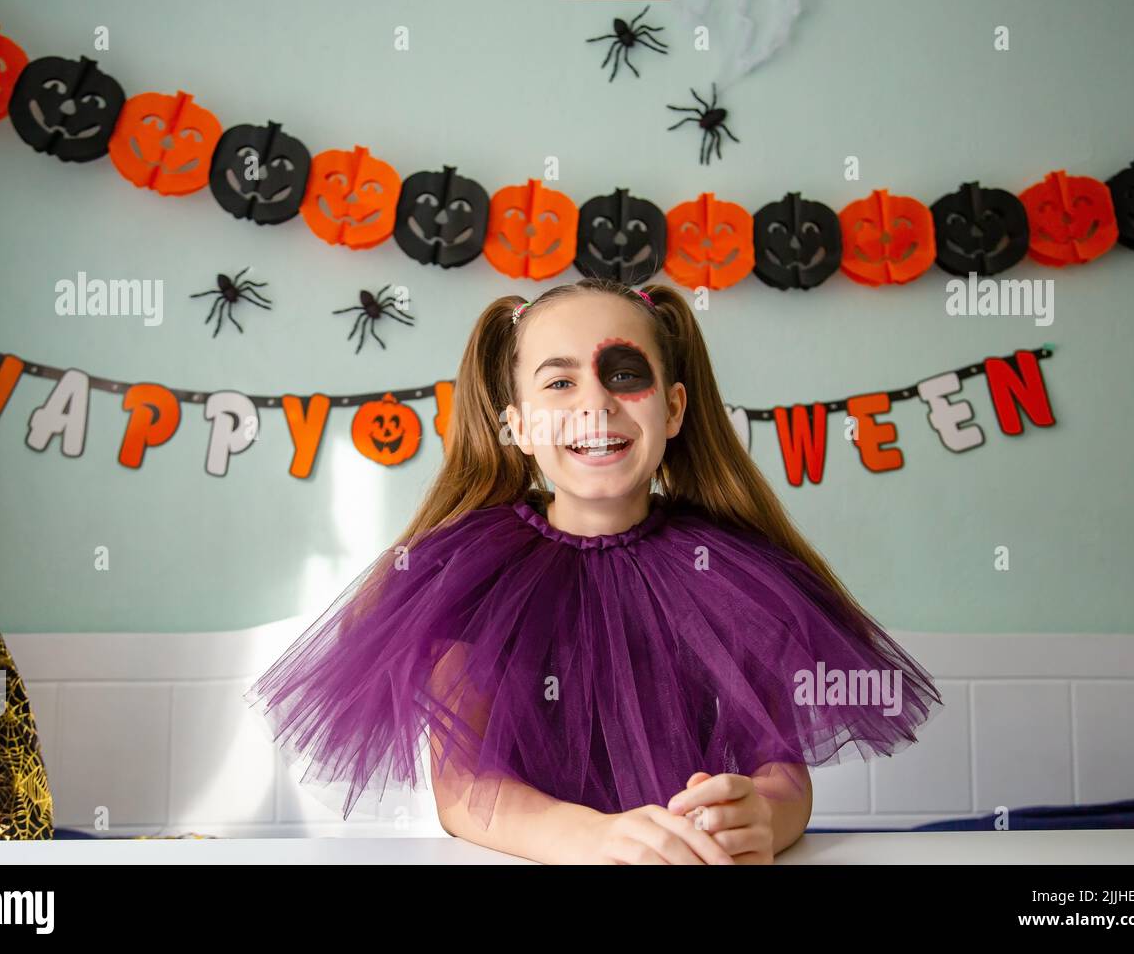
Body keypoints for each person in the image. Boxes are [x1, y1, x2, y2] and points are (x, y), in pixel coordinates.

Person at [243, 276, 943, 864]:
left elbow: (783, 776)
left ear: (672, 409)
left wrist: (760, 814)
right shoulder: (469, 573)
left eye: (625, 375)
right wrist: (597, 837)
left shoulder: (732, 571)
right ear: (516, 426)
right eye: (560, 381)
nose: (595, 403)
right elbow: (463, 793)